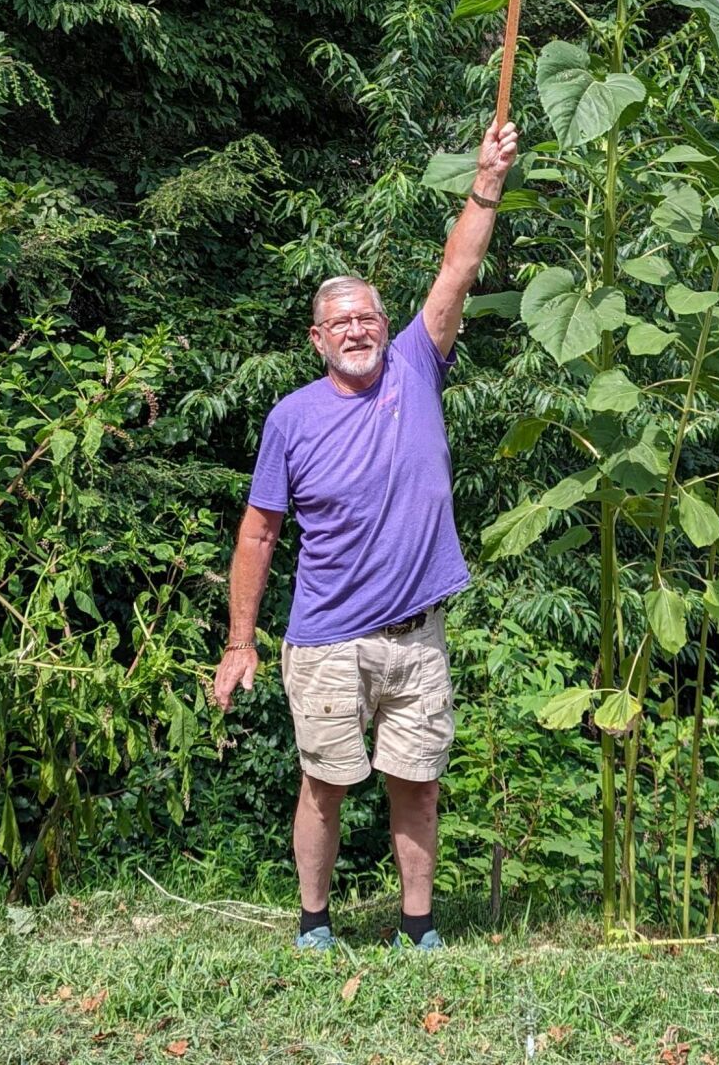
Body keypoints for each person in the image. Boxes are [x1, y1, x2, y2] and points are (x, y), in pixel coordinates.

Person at [212, 119, 519, 951]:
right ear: (317, 339)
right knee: (324, 783)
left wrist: (485, 181)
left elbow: (456, 269)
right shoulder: (291, 418)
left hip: (417, 636)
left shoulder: (419, 366)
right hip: (324, 641)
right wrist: (240, 643)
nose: (357, 329)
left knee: (415, 785)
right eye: (340, 321)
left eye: (368, 316)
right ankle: (315, 925)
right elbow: (258, 533)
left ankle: (417, 929)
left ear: (388, 325)